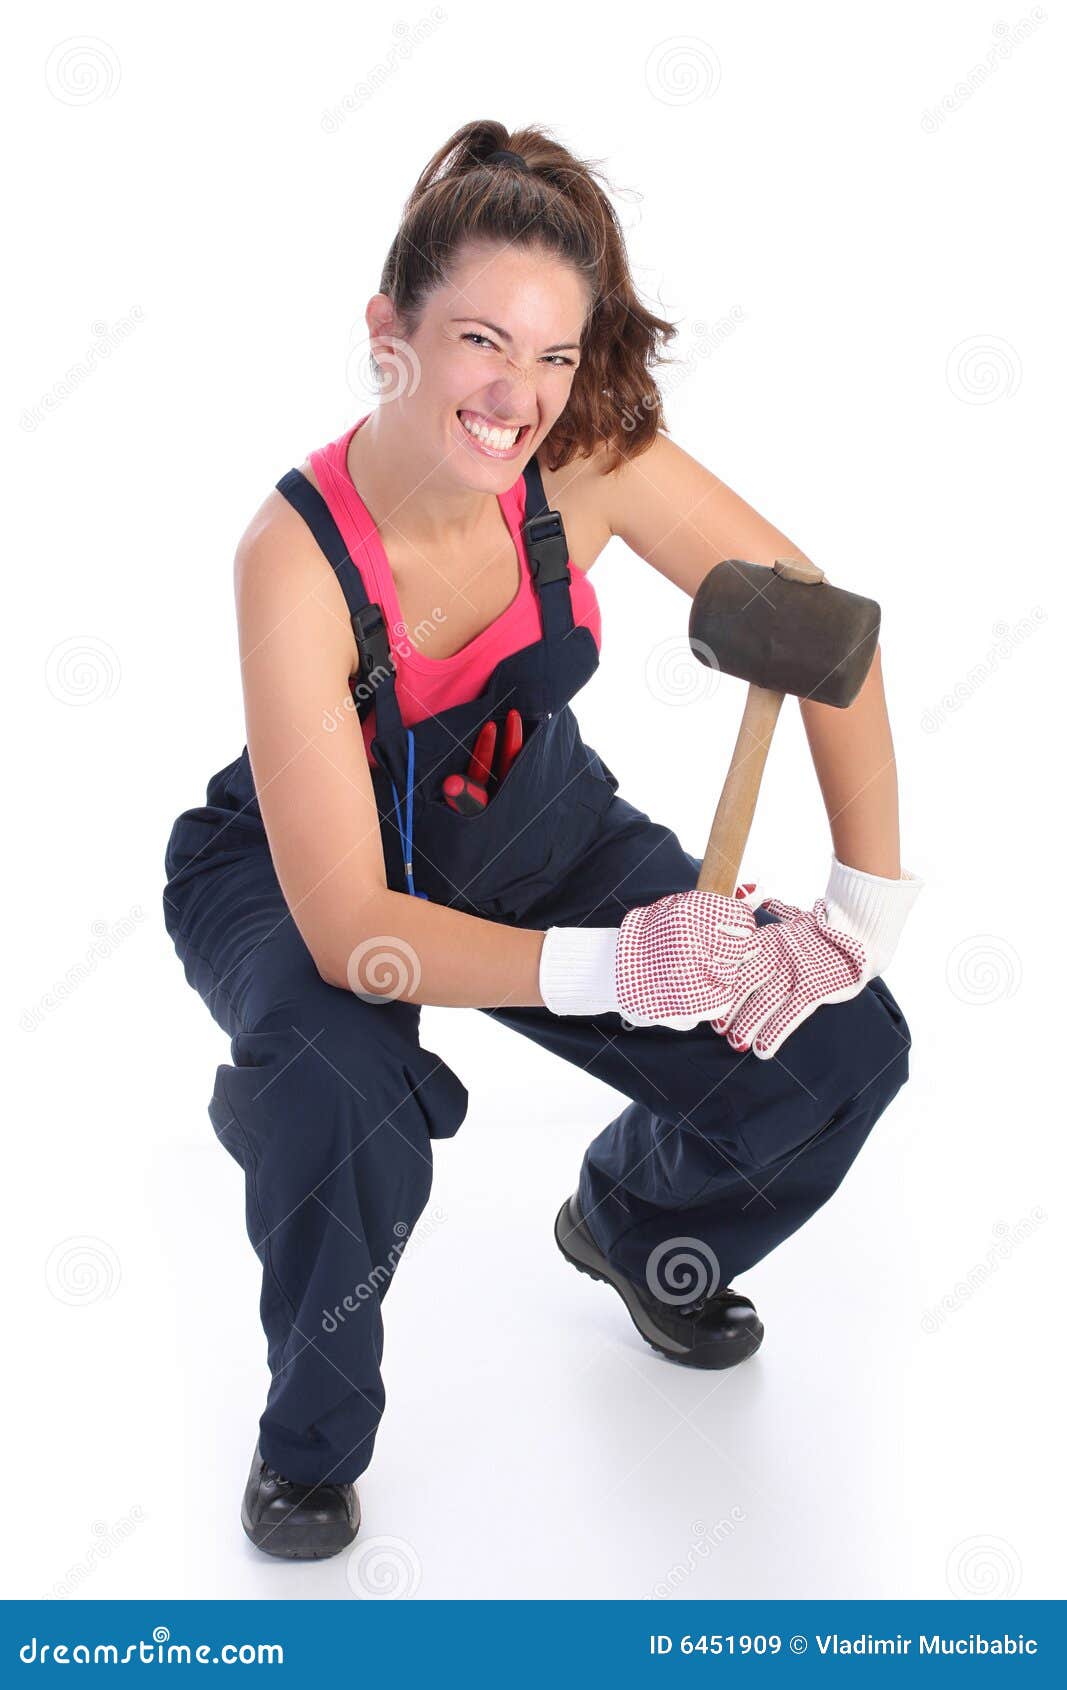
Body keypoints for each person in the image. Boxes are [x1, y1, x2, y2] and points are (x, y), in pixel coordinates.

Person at [161, 120, 923, 1562]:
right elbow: (353, 934)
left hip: (536, 826)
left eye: (557, 355)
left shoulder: (591, 466)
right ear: (390, 333)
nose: (520, 396)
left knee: (842, 1051)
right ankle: (307, 1447)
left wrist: (856, 911)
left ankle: (636, 1226)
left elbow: (832, 636)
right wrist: (620, 965)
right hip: (296, 870)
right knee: (342, 1090)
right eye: (480, 342)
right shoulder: (293, 555)